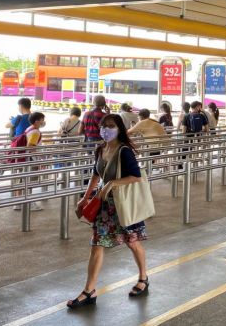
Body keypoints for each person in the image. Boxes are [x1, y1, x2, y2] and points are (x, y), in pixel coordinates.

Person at [68, 115, 149, 309]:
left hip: (123, 205)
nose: (106, 130)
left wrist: (113, 183)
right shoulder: (101, 149)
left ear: (119, 128)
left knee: (132, 242)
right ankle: (89, 291)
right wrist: (86, 197)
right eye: (103, 126)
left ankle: (143, 278)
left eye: (110, 126)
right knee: (97, 244)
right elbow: (96, 175)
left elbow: (136, 177)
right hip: (104, 205)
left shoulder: (124, 151)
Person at [11, 111, 46, 211]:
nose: (43, 122)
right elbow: (31, 146)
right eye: (42, 120)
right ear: (37, 121)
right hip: (31, 159)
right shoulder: (35, 132)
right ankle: (29, 202)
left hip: (24, 158)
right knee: (30, 181)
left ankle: (18, 203)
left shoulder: (29, 128)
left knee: (22, 179)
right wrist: (40, 159)